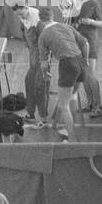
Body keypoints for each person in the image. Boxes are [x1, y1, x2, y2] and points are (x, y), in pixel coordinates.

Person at [37, 10, 86, 140]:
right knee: (71, 95)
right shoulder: (67, 26)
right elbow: (85, 43)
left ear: (40, 20)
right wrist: (85, 61)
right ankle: (56, 125)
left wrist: (45, 74)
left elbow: (43, 63)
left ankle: (72, 140)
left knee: (64, 104)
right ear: (53, 16)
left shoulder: (43, 36)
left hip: (68, 64)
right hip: (80, 61)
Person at [66, 0, 102, 117]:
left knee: (90, 75)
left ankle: (98, 106)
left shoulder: (93, 3)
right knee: (84, 76)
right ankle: (90, 104)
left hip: (91, 43)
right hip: (78, 43)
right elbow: (70, 23)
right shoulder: (72, 3)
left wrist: (91, 22)